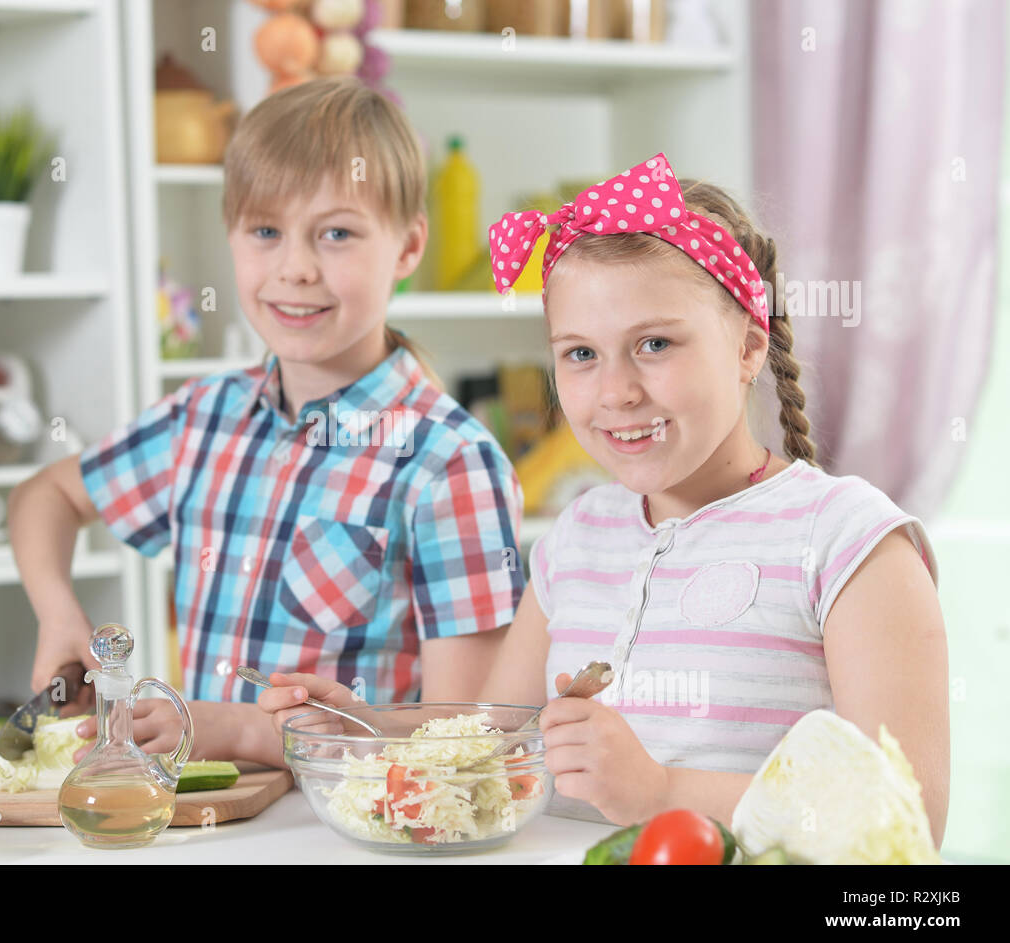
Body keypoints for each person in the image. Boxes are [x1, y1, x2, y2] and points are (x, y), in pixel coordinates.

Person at [256, 153, 949, 842]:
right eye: (581, 354)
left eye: (654, 343)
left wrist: (662, 791)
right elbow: (495, 734)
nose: (616, 392)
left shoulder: (848, 541)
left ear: (747, 346)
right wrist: (361, 725)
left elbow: (908, 815)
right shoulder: (575, 538)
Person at [8, 77, 525, 762]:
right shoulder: (202, 420)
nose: (296, 268)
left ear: (407, 247)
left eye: (337, 233)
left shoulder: (448, 460)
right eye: (265, 231)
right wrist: (58, 616)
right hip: (205, 823)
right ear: (231, 236)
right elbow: (45, 495)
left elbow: (468, 731)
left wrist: (250, 729)